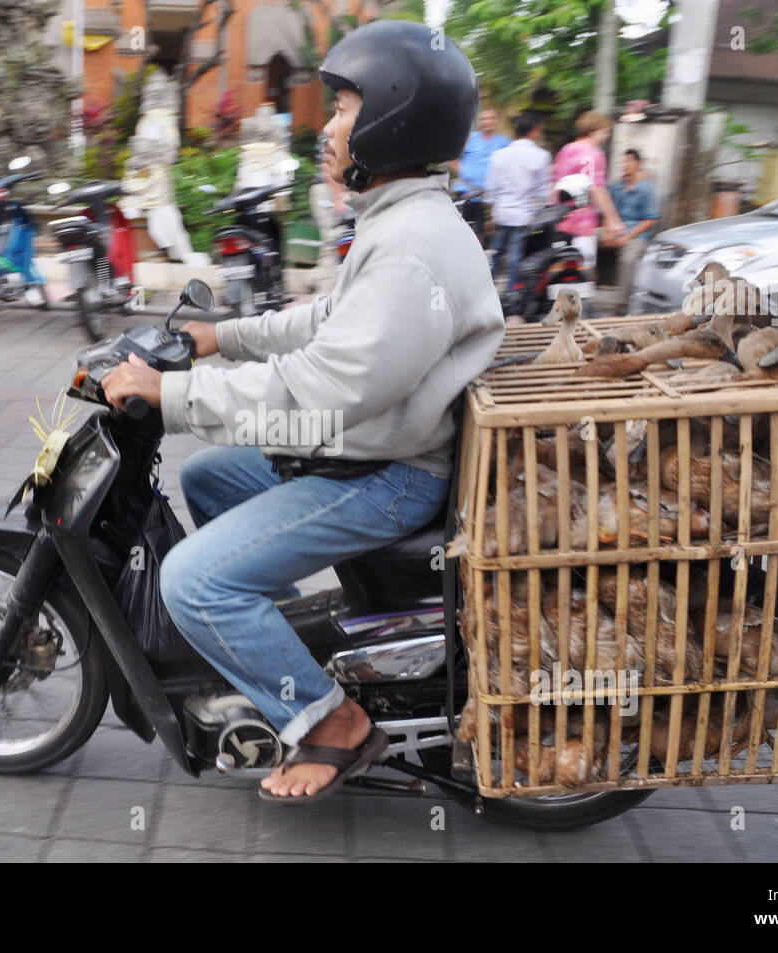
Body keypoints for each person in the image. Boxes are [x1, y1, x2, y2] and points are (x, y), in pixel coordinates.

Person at [99, 19, 504, 804]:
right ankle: (273, 649)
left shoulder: (413, 242)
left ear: (394, 120)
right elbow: (326, 323)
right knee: (216, 476)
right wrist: (221, 337)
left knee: (193, 581)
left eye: (345, 107)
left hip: (389, 471)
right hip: (370, 444)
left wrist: (171, 395)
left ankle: (329, 719)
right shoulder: (401, 219)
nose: (327, 128)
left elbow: (324, 387)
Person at [486, 113, 551, 305]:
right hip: (523, 215)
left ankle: (486, 289)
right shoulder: (541, 156)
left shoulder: (499, 155)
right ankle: (510, 296)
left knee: (496, 253)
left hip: (501, 213)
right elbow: (542, 191)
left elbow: (491, 188)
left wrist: (492, 216)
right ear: (534, 131)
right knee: (515, 257)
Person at [550, 110, 624, 267]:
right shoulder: (594, 155)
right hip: (582, 225)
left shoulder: (565, 150)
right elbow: (597, 189)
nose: (606, 136)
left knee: (560, 270)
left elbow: (554, 183)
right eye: (605, 131)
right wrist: (612, 220)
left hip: (560, 222)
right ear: (594, 130)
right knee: (582, 270)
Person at [603, 149, 659, 312]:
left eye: (628, 161)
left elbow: (650, 219)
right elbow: (608, 208)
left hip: (637, 234)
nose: (624, 165)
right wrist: (608, 230)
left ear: (637, 164)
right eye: (623, 161)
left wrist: (626, 237)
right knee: (589, 239)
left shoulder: (647, 189)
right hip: (616, 230)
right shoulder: (618, 187)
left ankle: (620, 305)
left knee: (628, 259)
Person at [453, 108, 510, 193]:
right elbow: (452, 158)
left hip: (492, 195)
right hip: (467, 192)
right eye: (483, 119)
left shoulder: (504, 142)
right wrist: (466, 173)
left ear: (496, 120)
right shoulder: (469, 138)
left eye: (491, 118)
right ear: (479, 122)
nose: (487, 122)